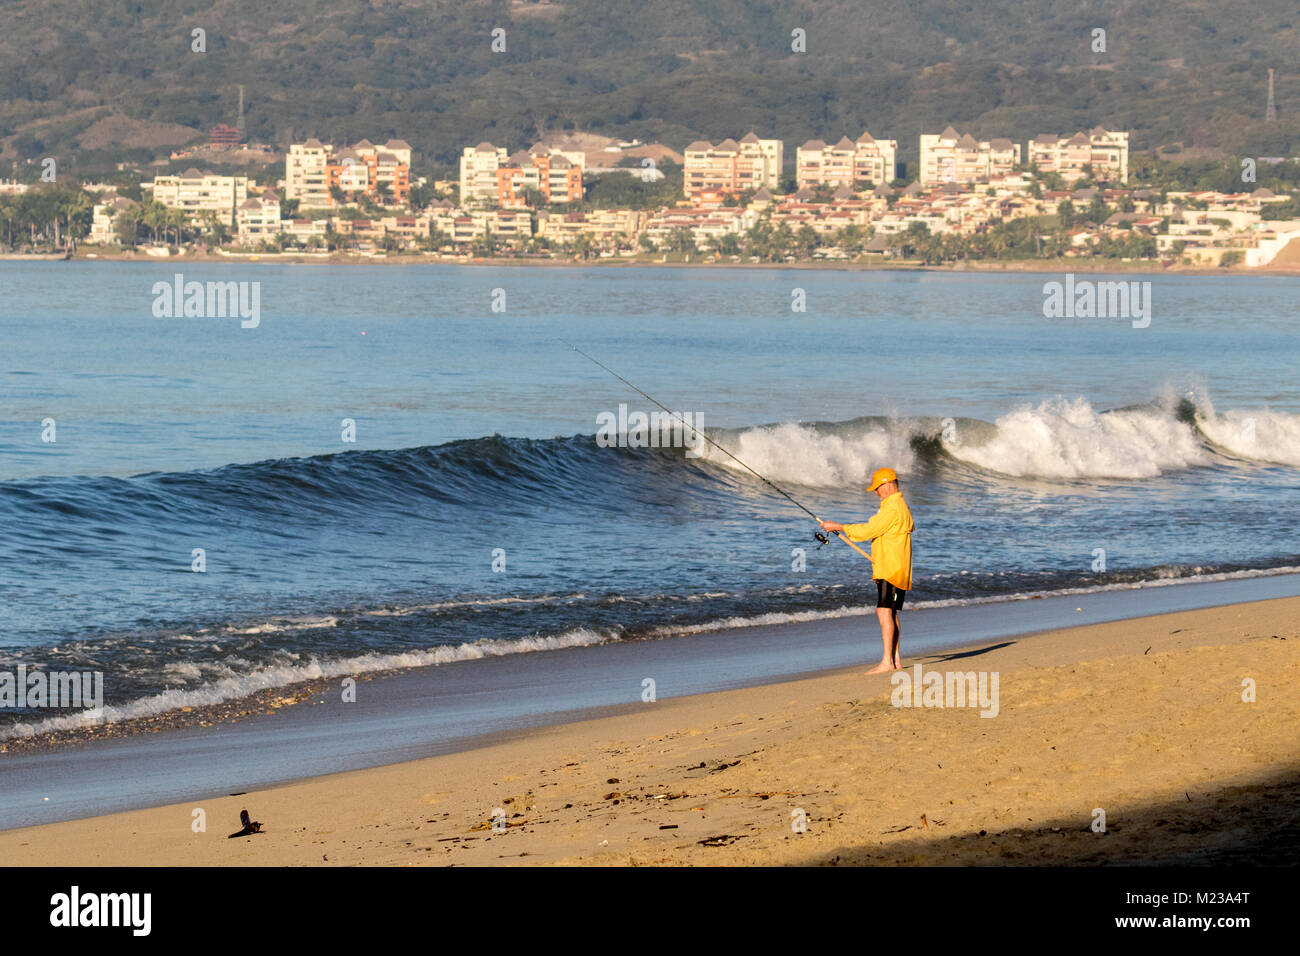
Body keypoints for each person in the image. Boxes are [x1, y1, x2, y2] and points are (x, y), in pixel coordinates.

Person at [819, 467, 914, 674]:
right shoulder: (900, 506)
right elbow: (885, 537)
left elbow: (868, 530)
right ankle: (895, 659)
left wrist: (839, 527)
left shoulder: (892, 508)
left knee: (883, 610)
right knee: (890, 611)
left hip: (891, 569)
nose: (875, 492)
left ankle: (887, 662)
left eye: (877, 488)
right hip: (894, 567)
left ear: (887, 486)